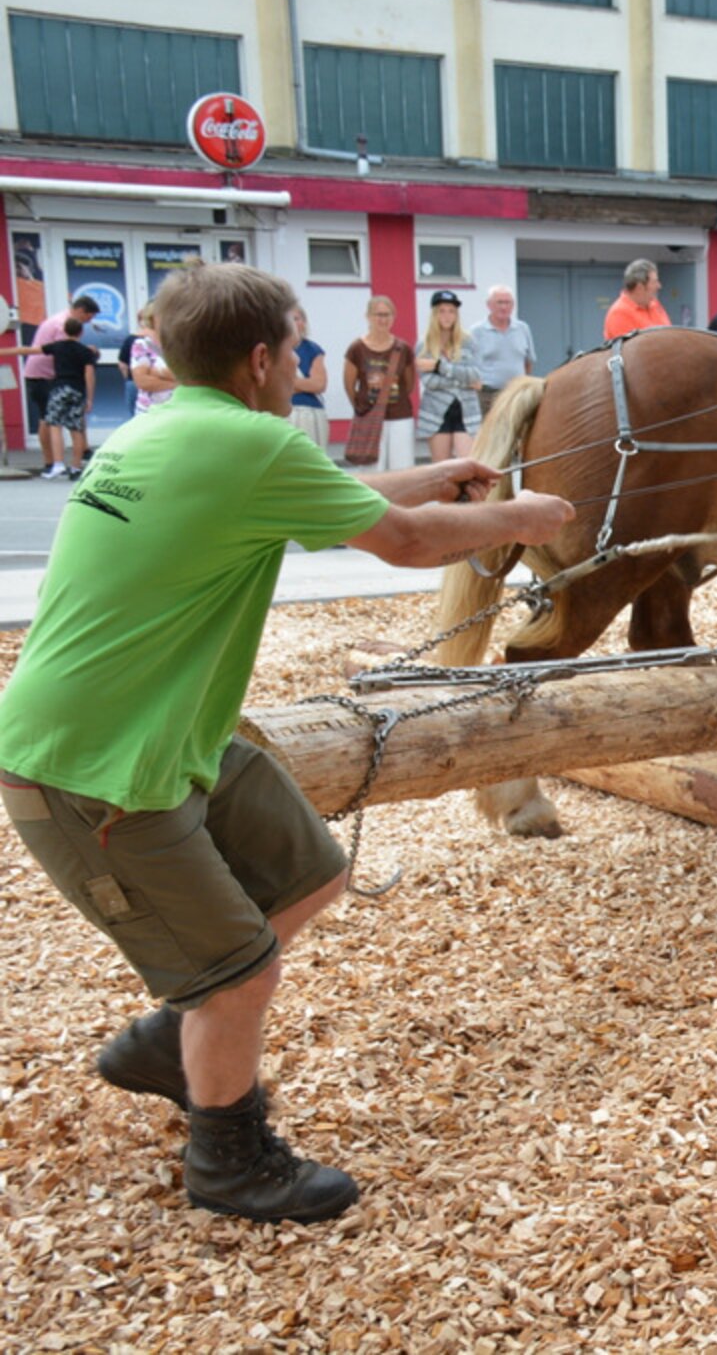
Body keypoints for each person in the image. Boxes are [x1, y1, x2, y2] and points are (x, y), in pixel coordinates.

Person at [0, 261, 573, 1225]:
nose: (300, 363)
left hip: (166, 737)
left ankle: (175, 1035)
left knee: (308, 869)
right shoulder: (251, 447)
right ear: (263, 359)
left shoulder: (163, 431)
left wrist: (433, 476)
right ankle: (227, 1157)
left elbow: (319, 499)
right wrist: (523, 515)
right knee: (241, 969)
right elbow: (403, 542)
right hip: (92, 769)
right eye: (297, 347)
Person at [0, 293, 100, 476]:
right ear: (80, 311)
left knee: (55, 419)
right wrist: (88, 353)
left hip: (46, 376)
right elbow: (68, 352)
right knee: (51, 420)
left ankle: (62, 460)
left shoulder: (61, 319)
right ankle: (55, 462)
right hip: (44, 376)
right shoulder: (62, 325)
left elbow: (34, 349)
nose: (88, 321)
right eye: (88, 317)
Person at [343, 296, 417, 471]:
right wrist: (363, 407)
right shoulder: (357, 348)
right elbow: (349, 385)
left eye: (387, 315)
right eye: (378, 314)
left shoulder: (403, 348)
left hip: (400, 417)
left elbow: (410, 385)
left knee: (402, 471)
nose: (383, 319)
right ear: (368, 316)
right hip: (369, 418)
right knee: (372, 472)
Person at [416, 291, 483, 463]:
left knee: (467, 465)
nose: (447, 316)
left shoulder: (469, 341)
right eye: (442, 311)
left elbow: (475, 374)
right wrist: (464, 381)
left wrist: (438, 366)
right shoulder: (424, 345)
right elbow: (429, 382)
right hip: (436, 413)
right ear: (434, 314)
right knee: (441, 469)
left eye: (451, 311)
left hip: (466, 411)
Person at [39, 317, 97, 480]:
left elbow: (30, 350)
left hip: (60, 388)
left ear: (64, 331)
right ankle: (76, 466)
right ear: (81, 332)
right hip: (77, 390)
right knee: (76, 428)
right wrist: (90, 398)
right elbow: (89, 375)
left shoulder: (57, 347)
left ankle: (58, 464)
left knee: (54, 424)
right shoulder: (85, 351)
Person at [469, 285, 535, 419]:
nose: (504, 307)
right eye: (499, 302)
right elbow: (468, 365)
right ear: (489, 305)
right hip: (488, 397)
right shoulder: (476, 331)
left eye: (508, 302)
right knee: (491, 438)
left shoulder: (523, 328)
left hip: (516, 395)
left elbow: (528, 361)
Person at [289, 307, 328, 450]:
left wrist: (289, 383)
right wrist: (304, 384)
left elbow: (318, 384)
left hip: (309, 411)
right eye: (288, 319)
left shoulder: (312, 349)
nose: (292, 323)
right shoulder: (273, 348)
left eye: (296, 318)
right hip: (282, 412)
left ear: (304, 323)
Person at [129, 304, 177, 416]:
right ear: (152, 319)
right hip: (149, 412)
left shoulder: (182, 345)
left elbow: (192, 377)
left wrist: (157, 372)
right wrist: (178, 383)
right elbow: (143, 382)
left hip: (177, 412)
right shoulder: (142, 344)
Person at [603, 259, 669, 340]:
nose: (659, 286)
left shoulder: (655, 305)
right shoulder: (619, 313)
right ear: (640, 287)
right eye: (654, 282)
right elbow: (632, 350)